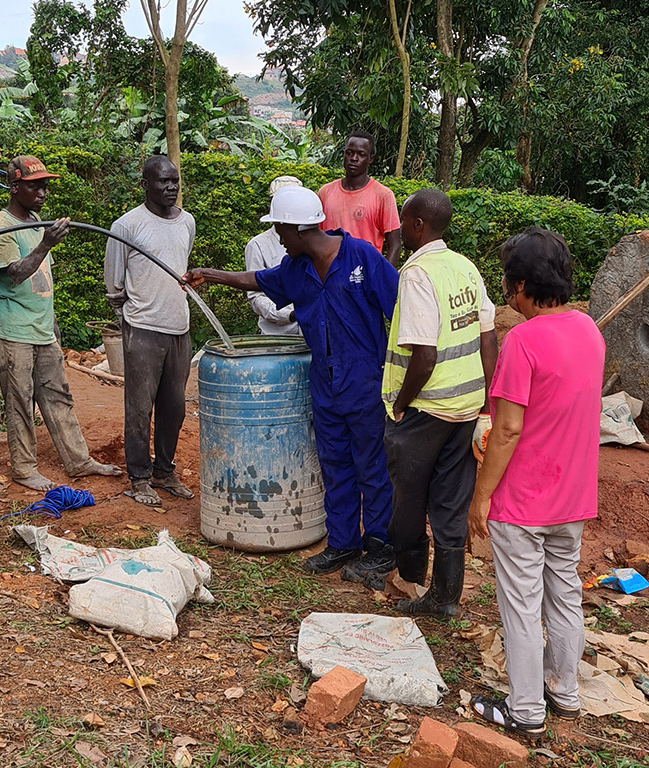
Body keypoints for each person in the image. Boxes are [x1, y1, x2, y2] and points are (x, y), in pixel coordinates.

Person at [184, 186, 398, 582]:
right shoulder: (296, 269)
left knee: (371, 465)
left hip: (366, 380)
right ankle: (343, 542)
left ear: (299, 230)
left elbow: (400, 309)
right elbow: (255, 280)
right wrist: (209, 275)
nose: (278, 238)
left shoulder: (362, 257)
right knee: (334, 463)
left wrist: (400, 378)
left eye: (280, 230)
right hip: (325, 380)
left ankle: (380, 547)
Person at [467, 227, 604, 736]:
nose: (507, 294)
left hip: (523, 502)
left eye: (508, 284)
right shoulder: (590, 331)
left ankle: (525, 711)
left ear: (522, 285)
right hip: (572, 497)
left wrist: (481, 496)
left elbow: (507, 428)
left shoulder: (522, 340)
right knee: (564, 593)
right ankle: (564, 691)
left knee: (521, 606)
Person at [382, 189, 499, 610]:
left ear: (417, 225)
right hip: (465, 405)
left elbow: (424, 355)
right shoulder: (464, 267)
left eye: (403, 218)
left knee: (408, 496)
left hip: (426, 407)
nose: (397, 225)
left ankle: (411, 578)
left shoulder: (417, 275)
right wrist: (484, 399)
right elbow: (488, 337)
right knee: (450, 498)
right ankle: (446, 597)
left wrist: (400, 403)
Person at [0, 155, 120, 492]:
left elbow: (42, 276)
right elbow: (14, 274)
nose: (42, 190)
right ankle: (24, 468)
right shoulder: (1, 227)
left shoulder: (36, 219)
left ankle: (78, 459)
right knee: (20, 398)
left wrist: (52, 318)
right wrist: (45, 243)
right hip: (13, 328)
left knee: (58, 394)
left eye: (44, 184)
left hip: (40, 327)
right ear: (14, 187)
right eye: (34, 184)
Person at [105, 156, 196, 507]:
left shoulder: (186, 222)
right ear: (146, 184)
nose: (171, 187)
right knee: (139, 408)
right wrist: (129, 315)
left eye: (174, 180)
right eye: (163, 181)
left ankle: (165, 471)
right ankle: (140, 477)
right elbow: (114, 282)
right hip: (142, 328)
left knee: (174, 407)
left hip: (180, 327)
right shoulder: (127, 225)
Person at [318, 130, 402, 266]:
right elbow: (316, 236)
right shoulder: (325, 192)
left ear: (370, 158)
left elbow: (395, 245)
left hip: (364, 276)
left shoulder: (383, 196)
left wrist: (382, 278)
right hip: (329, 273)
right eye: (349, 153)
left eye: (361, 154)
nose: (354, 158)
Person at [244, 175, 303, 335]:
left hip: (310, 336)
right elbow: (256, 296)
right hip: (277, 337)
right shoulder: (258, 245)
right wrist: (289, 315)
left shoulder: (310, 242)